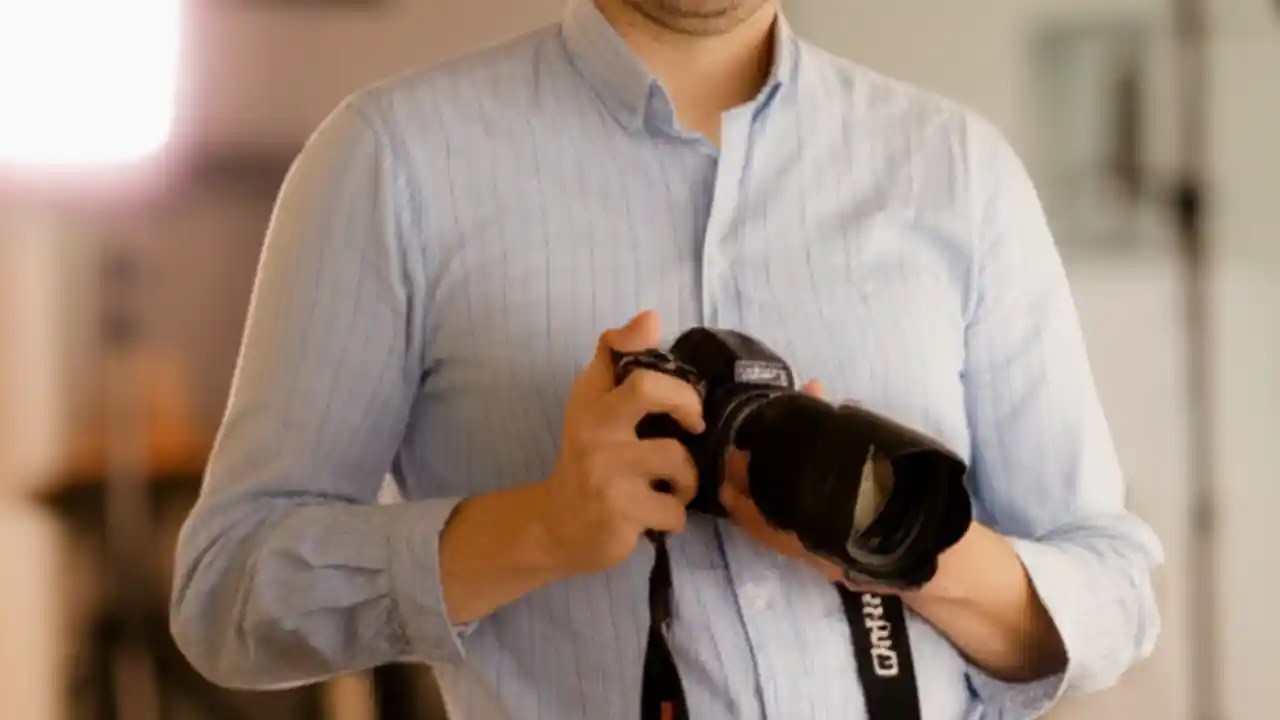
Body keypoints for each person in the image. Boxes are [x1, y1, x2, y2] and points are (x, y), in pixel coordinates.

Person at [170, 0, 1163, 717]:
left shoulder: (955, 170)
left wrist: (892, 543)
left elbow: (1111, 589)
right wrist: (540, 529)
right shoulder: (393, 163)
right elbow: (226, 597)